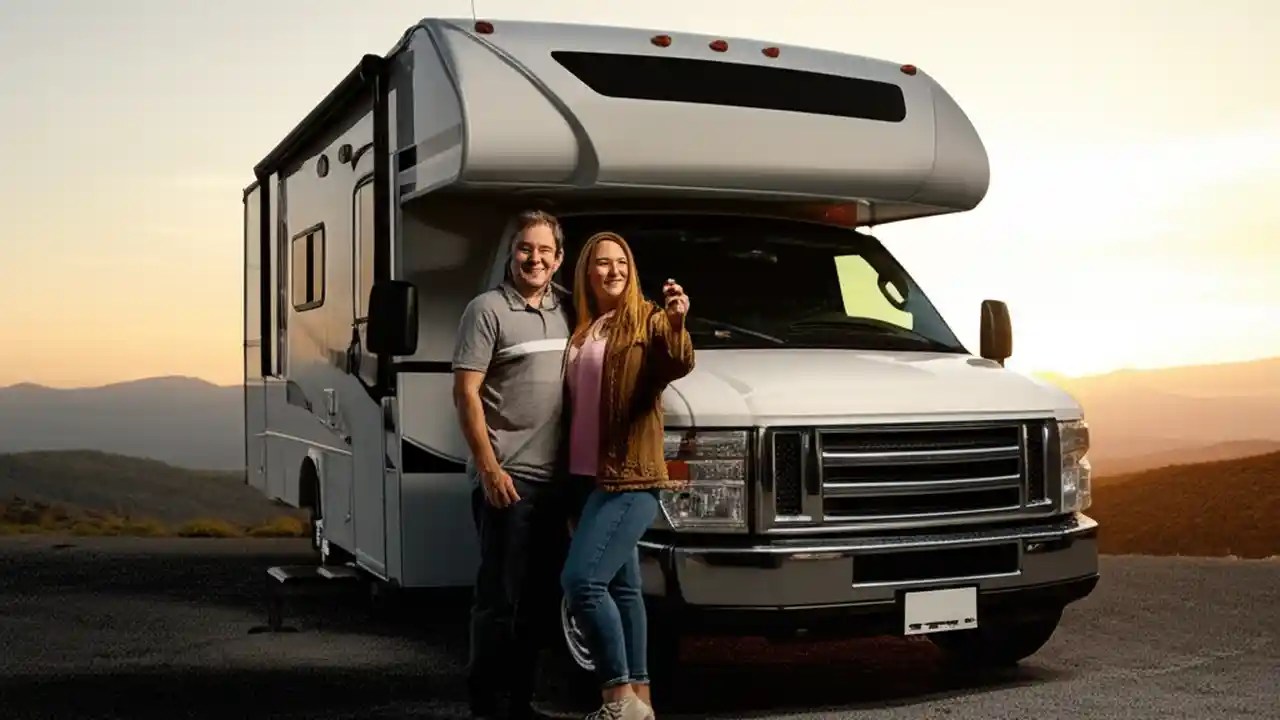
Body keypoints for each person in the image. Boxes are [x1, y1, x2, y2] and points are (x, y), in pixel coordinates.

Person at [559, 231, 695, 720]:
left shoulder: (648, 320)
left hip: (631, 478)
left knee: (581, 583)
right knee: (623, 589)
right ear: (586, 272)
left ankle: (617, 698)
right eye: (602, 262)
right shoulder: (584, 329)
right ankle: (642, 704)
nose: (613, 270)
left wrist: (678, 320)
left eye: (621, 261)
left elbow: (676, 360)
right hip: (584, 479)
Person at [452, 209, 575, 720]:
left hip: (557, 483)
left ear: (559, 258)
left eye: (545, 250)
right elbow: (465, 393)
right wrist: (489, 469)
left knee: (539, 599)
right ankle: (486, 702)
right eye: (527, 248)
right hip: (509, 479)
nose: (535, 258)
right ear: (512, 252)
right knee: (498, 599)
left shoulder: (570, 310)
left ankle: (520, 700)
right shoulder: (486, 310)